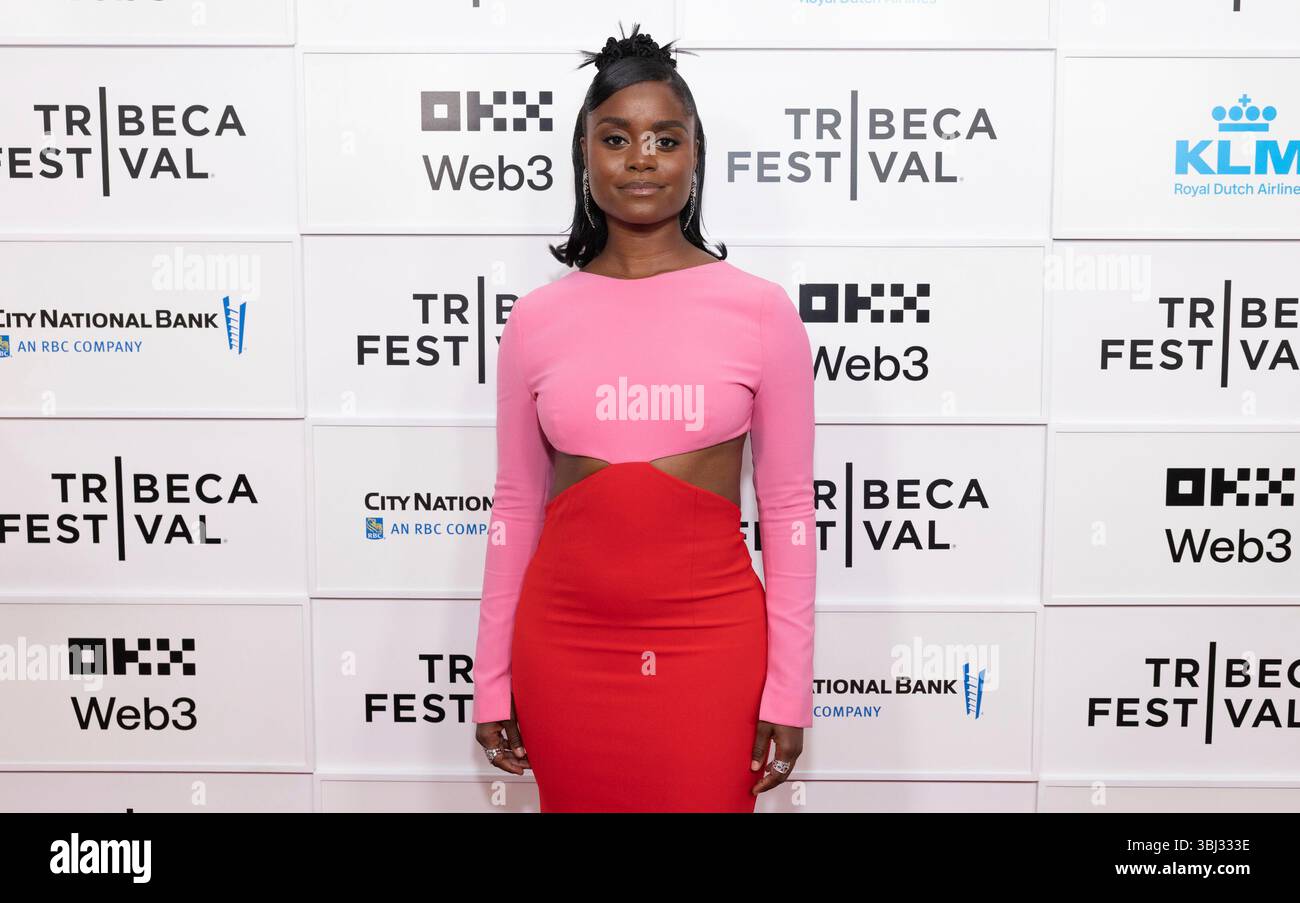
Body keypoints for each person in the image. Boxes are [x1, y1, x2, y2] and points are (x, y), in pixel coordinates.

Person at [471, 23, 816, 812]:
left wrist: (789, 690)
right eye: (616, 138)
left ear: (696, 157)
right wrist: (492, 675)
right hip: (563, 648)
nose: (641, 157)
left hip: (710, 649)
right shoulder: (535, 319)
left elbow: (791, 510)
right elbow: (517, 505)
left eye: (666, 137)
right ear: (583, 156)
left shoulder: (761, 313)